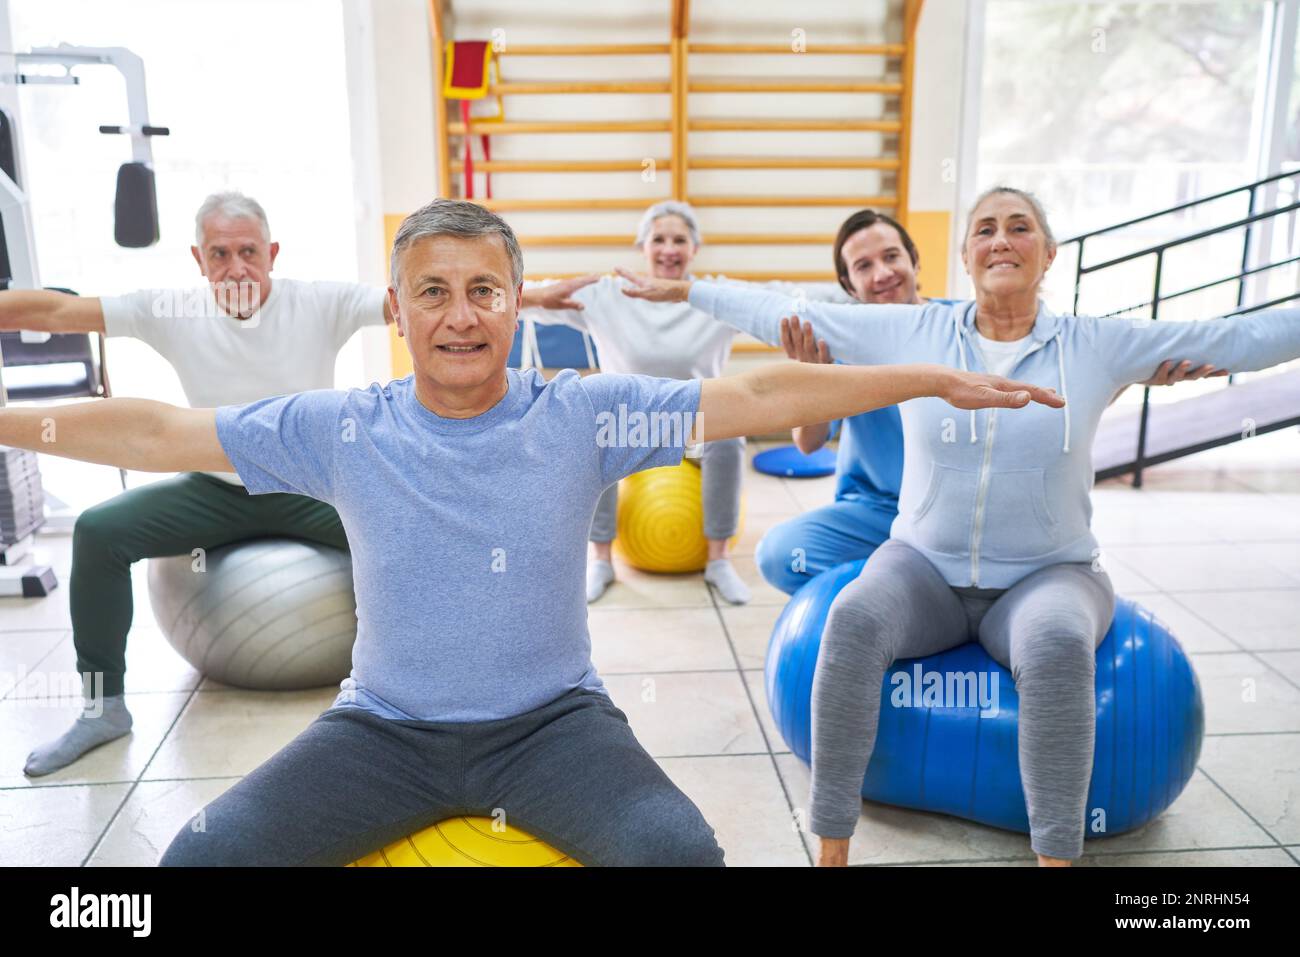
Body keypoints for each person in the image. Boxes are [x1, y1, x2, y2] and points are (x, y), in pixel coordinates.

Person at [0, 198, 1061, 866]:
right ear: (399, 311)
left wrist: (929, 375)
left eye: (482, 292)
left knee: (681, 856)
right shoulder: (341, 428)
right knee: (200, 860)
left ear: (516, 306)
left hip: (554, 728)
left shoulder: (581, 412)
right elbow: (154, 424)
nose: (460, 316)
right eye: (434, 294)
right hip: (379, 733)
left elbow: (752, 396)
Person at [618, 185, 1300, 866]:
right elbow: (781, 311)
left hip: (1049, 572)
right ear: (966, 256)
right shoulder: (917, 332)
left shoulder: (1097, 344)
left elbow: (1234, 336)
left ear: (1049, 253)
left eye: (1019, 227)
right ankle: (830, 851)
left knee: (1059, 643)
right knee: (853, 618)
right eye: (985, 229)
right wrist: (682, 292)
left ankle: (1055, 858)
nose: (1001, 239)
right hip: (922, 567)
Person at [0, 191, 393, 777]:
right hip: (214, 492)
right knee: (98, 530)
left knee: (395, 530)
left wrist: (523, 295)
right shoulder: (173, 309)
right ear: (198, 259)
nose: (236, 267)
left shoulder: (320, 302)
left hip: (311, 488)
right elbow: (59, 313)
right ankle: (103, 708)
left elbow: (404, 302)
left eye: (248, 252)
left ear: (272, 252)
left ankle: (392, 697)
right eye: (219, 254)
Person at [760, 208, 1226, 595]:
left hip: (958, 514)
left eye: (891, 256)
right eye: (864, 267)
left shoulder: (966, 326)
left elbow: (1046, 400)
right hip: (877, 512)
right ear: (848, 284)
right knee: (782, 554)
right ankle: (899, 589)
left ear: (914, 260)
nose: (882, 274)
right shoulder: (845, 342)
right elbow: (807, 444)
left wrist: (1133, 375)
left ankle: (923, 589)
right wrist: (811, 376)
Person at [521, 200, 852, 604]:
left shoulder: (714, 295)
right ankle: (602, 560)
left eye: (680, 239)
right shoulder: (608, 294)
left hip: (699, 423)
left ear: (694, 249)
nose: (669, 248)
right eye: (658, 239)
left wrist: (857, 293)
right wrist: (538, 295)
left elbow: (785, 297)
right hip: (629, 426)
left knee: (730, 437)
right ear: (643, 248)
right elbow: (521, 299)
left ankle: (717, 561)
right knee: (593, 427)